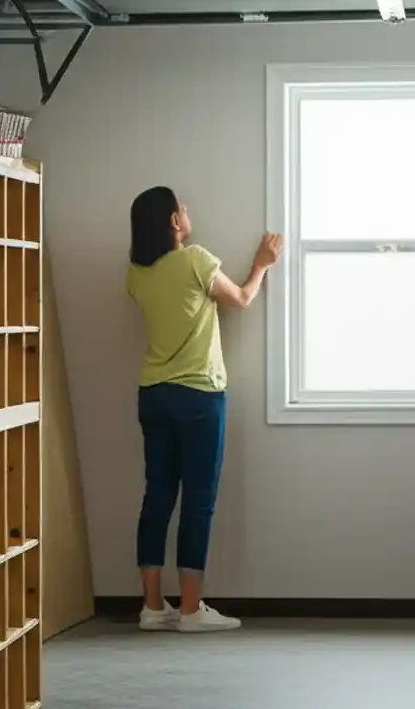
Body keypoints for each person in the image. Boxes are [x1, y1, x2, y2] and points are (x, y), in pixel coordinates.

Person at [126, 186, 282, 633]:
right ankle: (191, 610)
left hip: (153, 393)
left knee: (157, 497)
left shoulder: (135, 274)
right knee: (198, 501)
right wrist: (261, 266)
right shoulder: (195, 259)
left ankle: (152, 607)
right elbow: (242, 299)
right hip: (198, 394)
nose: (189, 212)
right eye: (183, 208)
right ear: (174, 221)